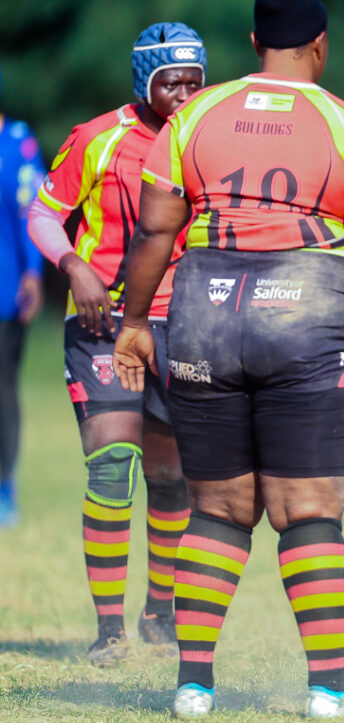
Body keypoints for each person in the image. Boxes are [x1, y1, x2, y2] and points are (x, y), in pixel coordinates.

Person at [111, 0, 344, 719]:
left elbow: (152, 232)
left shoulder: (195, 116)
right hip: (306, 315)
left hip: (201, 317)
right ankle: (327, 688)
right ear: (321, 44)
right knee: (310, 511)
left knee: (218, 511)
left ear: (255, 41)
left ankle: (193, 685)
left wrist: (135, 322)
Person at [26, 23, 206, 664]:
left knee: (172, 476)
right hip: (103, 326)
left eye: (193, 80)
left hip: (186, 326)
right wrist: (74, 266)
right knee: (110, 466)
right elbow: (44, 213)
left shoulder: (211, 135)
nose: (184, 93)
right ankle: (109, 629)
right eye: (170, 81)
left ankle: (161, 611)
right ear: (144, 81)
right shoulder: (97, 137)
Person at [0, 69, 47, 528]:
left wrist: (33, 275)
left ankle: (4, 486)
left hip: (4, 292)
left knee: (3, 390)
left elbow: (31, 210)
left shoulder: (18, 143)